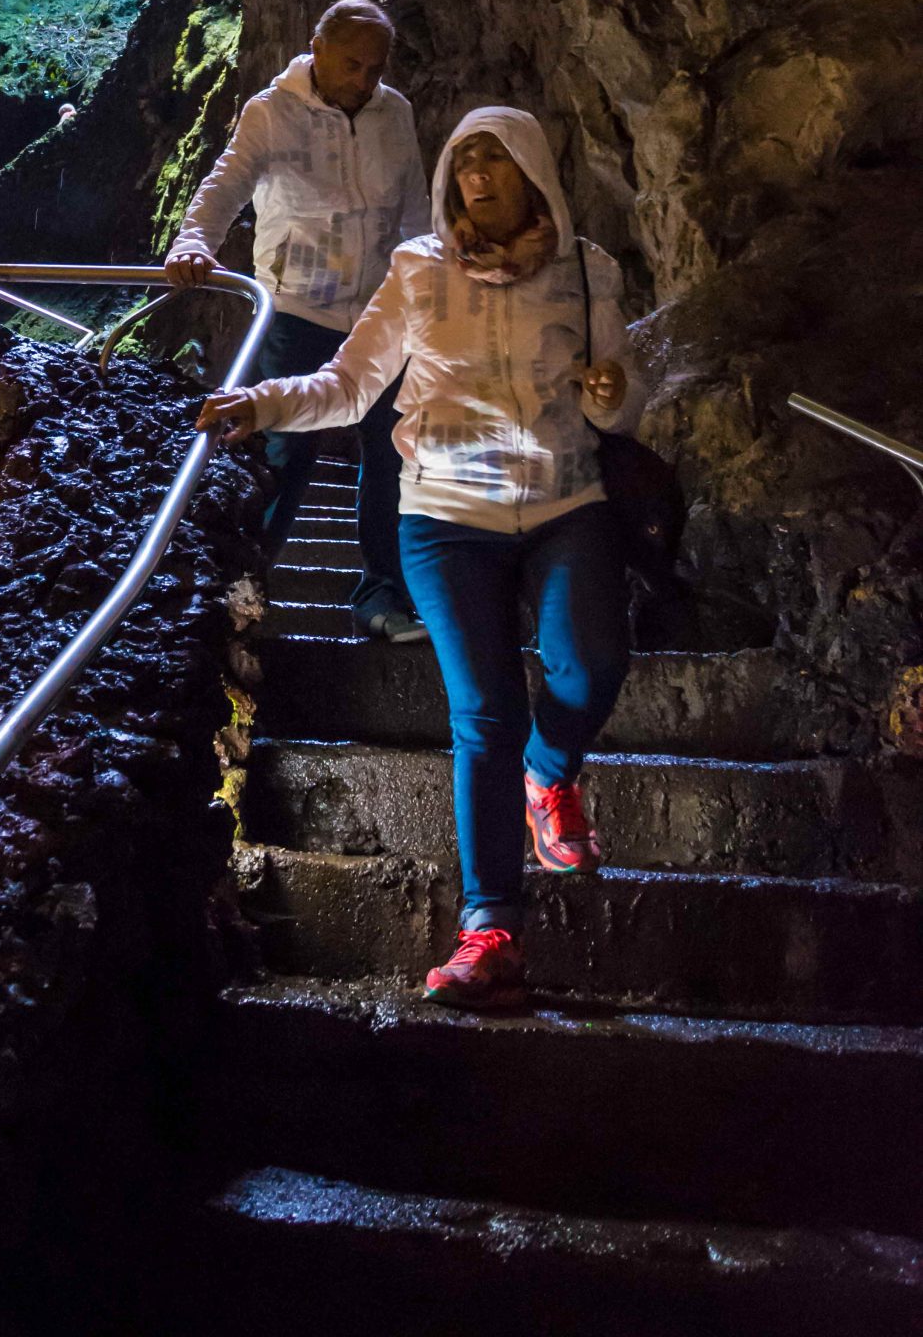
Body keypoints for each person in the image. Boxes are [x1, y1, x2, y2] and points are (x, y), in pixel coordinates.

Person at [198, 105, 644, 1011]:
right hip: (443, 515)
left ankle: (550, 773)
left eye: (495, 156)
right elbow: (349, 383)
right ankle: (491, 930)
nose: (477, 170)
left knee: (591, 665)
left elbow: (619, 409)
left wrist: (610, 394)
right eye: (464, 158)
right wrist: (265, 402)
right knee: (483, 708)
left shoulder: (587, 272)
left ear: (531, 168)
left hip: (565, 501)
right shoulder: (415, 271)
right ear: (447, 178)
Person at [165, 0, 430, 637]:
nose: (364, 80)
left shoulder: (395, 114)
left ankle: (384, 599)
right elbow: (226, 181)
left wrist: (430, 294)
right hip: (296, 308)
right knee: (284, 453)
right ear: (317, 49)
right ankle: (244, 589)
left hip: (381, 313)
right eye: (351, 64)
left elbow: (417, 210)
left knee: (394, 456)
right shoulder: (272, 111)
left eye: (375, 67)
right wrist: (194, 239)